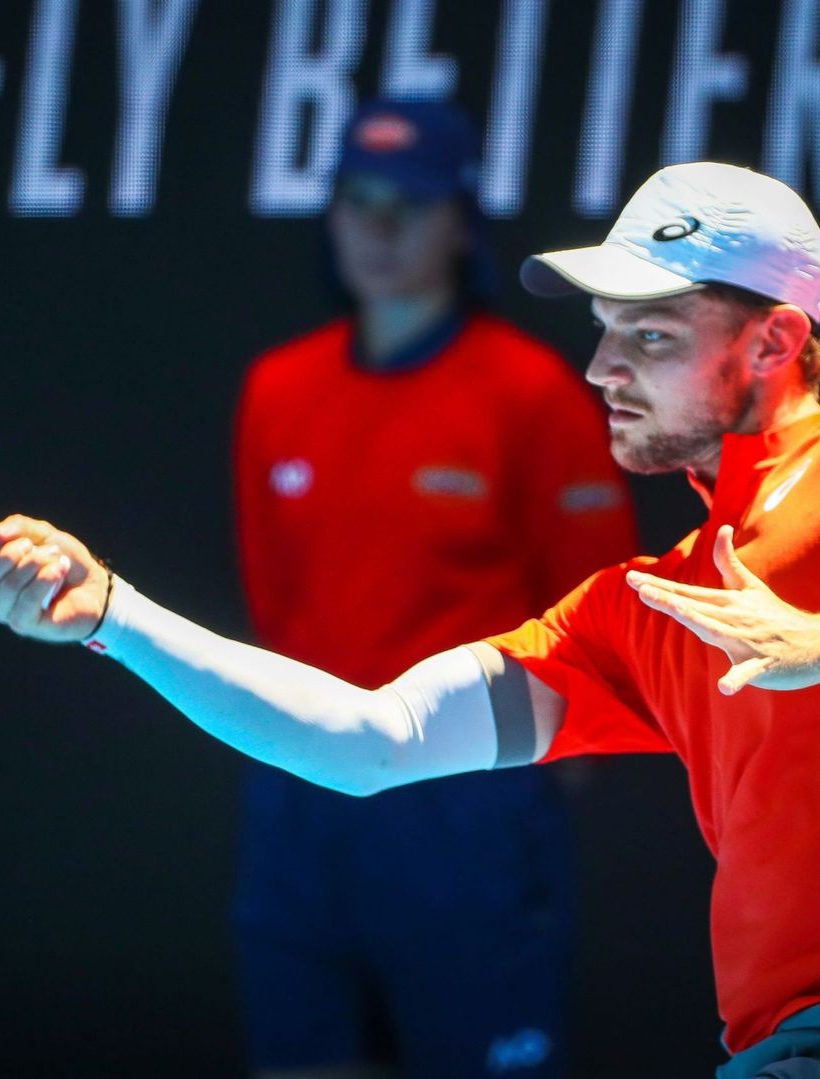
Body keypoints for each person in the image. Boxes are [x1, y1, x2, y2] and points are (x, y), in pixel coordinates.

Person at [0, 162, 820, 1079]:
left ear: (776, 340)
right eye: (607, 332)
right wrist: (112, 614)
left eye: (651, 335)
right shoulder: (642, 605)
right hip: (786, 1051)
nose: (603, 367)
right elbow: (367, 741)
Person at [229, 98, 635, 1079]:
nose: (379, 227)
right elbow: (273, 599)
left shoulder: (530, 391)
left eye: (408, 203)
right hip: (300, 791)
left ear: (460, 220)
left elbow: (594, 614)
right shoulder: (278, 387)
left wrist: (508, 780)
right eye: (357, 199)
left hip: (467, 799)